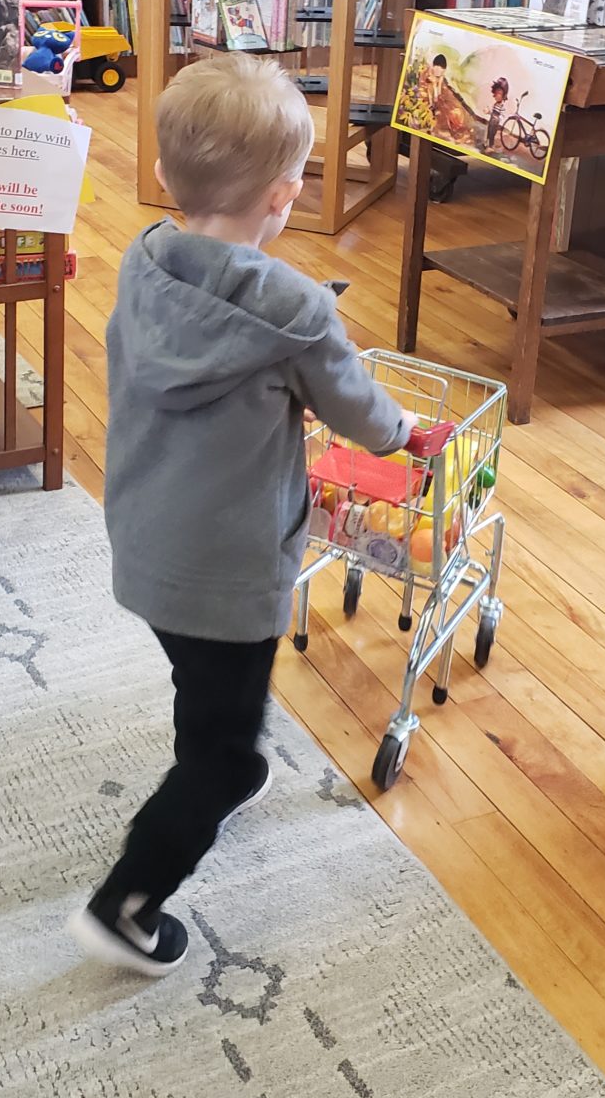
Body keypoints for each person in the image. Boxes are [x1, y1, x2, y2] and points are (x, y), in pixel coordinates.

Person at [71, 55, 414, 976]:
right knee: (223, 750)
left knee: (202, 678)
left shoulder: (144, 264)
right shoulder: (297, 310)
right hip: (228, 570)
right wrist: (407, 431)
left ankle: (217, 754)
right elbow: (358, 411)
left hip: (144, 547)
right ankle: (127, 903)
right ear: (284, 193)